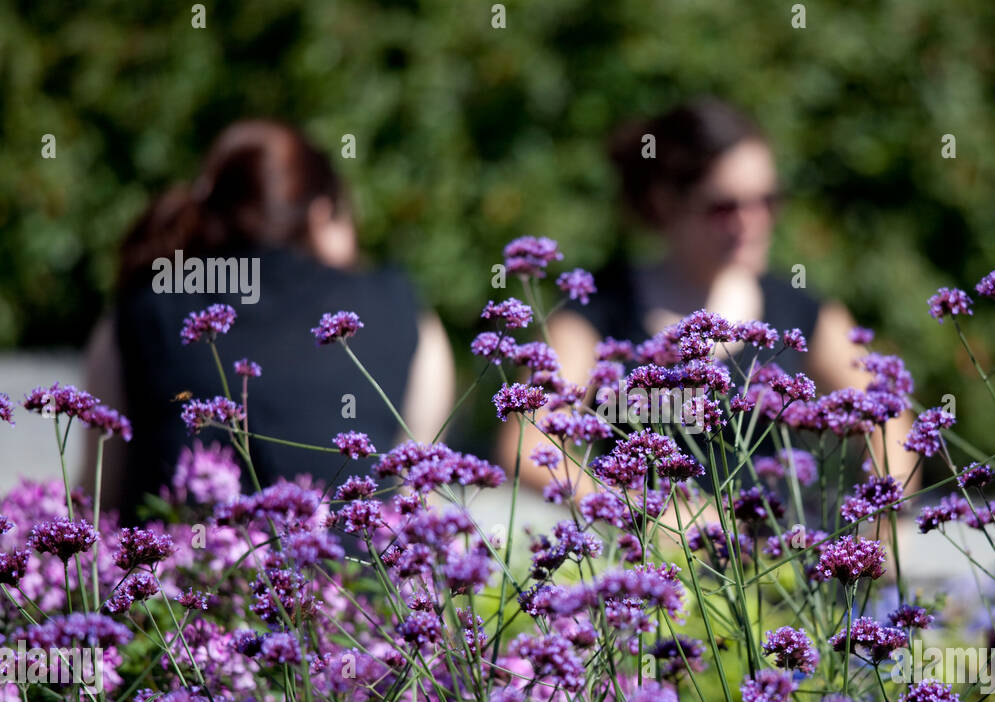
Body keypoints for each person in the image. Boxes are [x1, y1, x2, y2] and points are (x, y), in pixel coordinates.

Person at [502, 97, 913, 491]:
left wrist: (881, 517)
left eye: (767, 201)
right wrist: (640, 514)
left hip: (775, 555)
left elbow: (887, 416)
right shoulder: (599, 309)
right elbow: (528, 446)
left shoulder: (801, 309)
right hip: (649, 556)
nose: (752, 223)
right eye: (724, 207)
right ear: (665, 203)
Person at [83, 120, 454, 516]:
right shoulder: (404, 308)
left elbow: (98, 495)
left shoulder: (142, 307)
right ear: (321, 214)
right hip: (349, 574)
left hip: (173, 569)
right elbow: (421, 501)